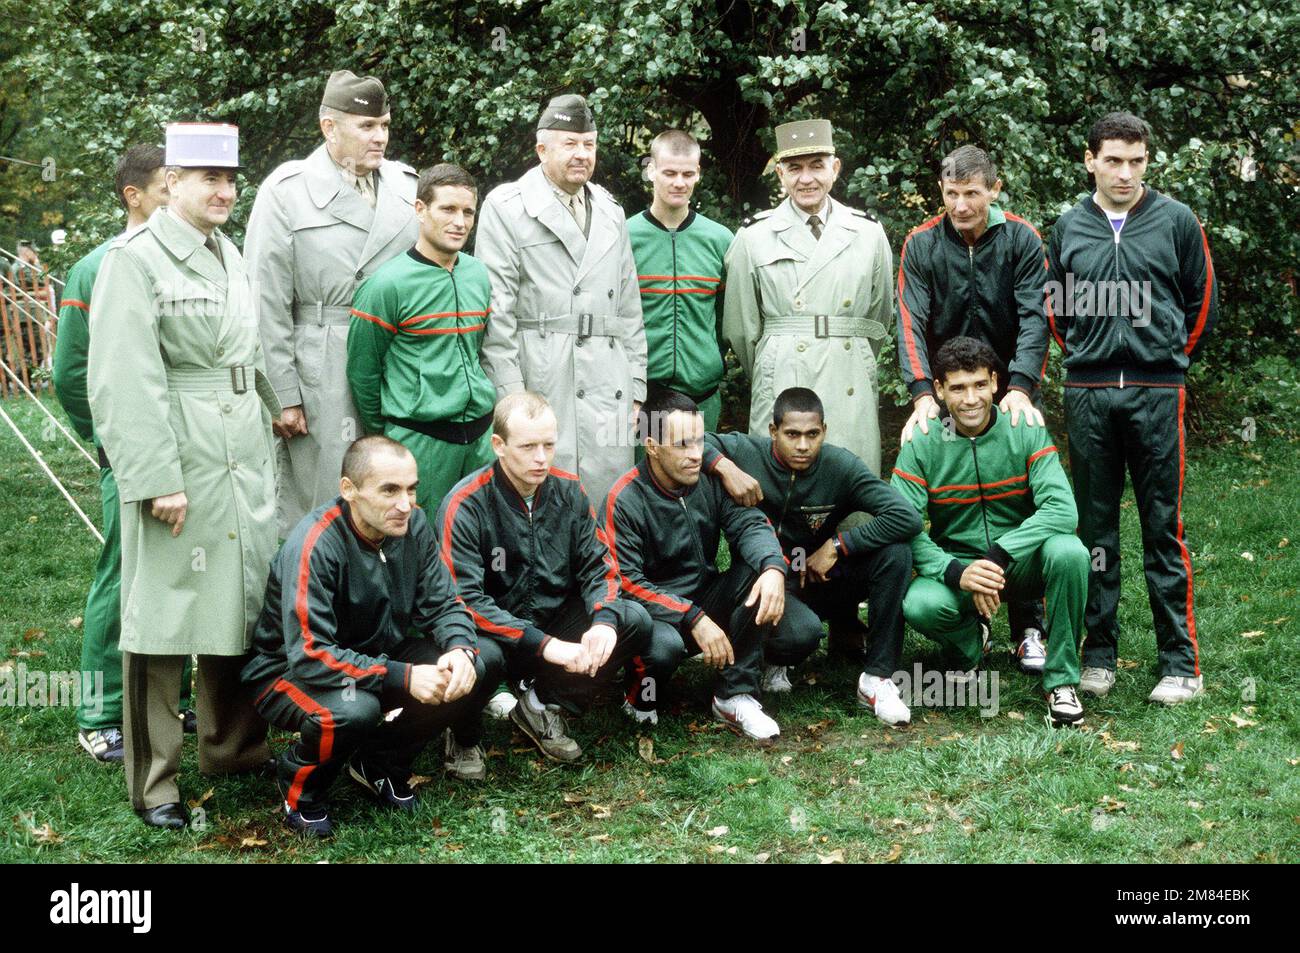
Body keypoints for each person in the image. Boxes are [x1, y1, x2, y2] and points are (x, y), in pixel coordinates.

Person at [87, 123, 277, 829]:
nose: (225, 192)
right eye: (208, 180)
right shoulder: (136, 260)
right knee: (162, 615)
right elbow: (121, 379)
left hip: (241, 443)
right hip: (180, 447)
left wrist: (271, 411)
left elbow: (246, 350)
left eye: (231, 181)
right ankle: (156, 780)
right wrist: (156, 476)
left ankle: (234, 748)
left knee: (237, 597)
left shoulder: (226, 251)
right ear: (172, 184)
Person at [243, 436, 498, 837]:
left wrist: (460, 650)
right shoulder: (316, 543)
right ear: (349, 490)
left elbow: (446, 603)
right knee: (353, 709)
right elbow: (309, 653)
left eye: (411, 489)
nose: (406, 504)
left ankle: (380, 762)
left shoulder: (413, 525)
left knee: (481, 661)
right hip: (288, 673)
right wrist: (403, 676)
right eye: (390, 490)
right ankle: (301, 789)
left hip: (376, 654)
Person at [1047, 111, 1218, 705]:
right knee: (1094, 529)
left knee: (1161, 525)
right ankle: (1099, 655)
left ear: (1148, 161)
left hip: (1156, 392)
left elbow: (1200, 305)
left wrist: (1165, 362)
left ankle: (1180, 662)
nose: (1125, 172)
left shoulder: (1175, 222)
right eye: (1113, 160)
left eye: (1136, 161)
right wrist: (1092, 359)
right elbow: (1058, 312)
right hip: (1089, 397)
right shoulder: (1069, 226)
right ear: (1090, 159)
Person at [52, 143, 195, 762]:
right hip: (134, 457)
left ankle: (173, 699)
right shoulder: (99, 266)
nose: (179, 193)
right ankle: (98, 711)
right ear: (134, 196)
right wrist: (113, 439)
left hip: (194, 451)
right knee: (122, 577)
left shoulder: (196, 259)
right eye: (169, 183)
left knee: (183, 572)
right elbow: (71, 373)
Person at [895, 144, 1052, 671]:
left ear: (995, 189)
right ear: (941, 191)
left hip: (1008, 387)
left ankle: (1030, 624)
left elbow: (1036, 315)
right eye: (952, 194)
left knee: (1022, 494)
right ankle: (967, 607)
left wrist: (1023, 387)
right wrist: (922, 392)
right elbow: (910, 317)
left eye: (973, 194)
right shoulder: (921, 243)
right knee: (951, 493)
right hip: (947, 389)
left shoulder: (1022, 238)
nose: (961, 205)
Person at [245, 69, 420, 535]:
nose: (379, 137)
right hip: (321, 360)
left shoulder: (407, 186)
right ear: (329, 127)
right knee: (319, 498)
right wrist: (281, 393)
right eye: (366, 126)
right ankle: (307, 599)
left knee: (393, 491)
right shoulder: (287, 191)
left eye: (384, 125)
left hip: (395, 359)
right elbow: (266, 299)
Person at [437, 392, 653, 765]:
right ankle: (463, 732)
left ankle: (541, 704)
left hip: (553, 625)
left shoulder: (569, 490)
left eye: (549, 445)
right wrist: (543, 644)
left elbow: (598, 566)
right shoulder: (467, 503)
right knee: (479, 657)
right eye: (528, 446)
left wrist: (602, 620)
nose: (541, 458)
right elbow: (464, 599)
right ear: (499, 445)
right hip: (496, 635)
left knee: (630, 619)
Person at [890, 337, 1088, 726]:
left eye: (980, 385)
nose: (971, 399)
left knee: (1071, 553)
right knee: (920, 604)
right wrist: (954, 570)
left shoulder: (1024, 427)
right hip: (960, 567)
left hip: (1020, 562)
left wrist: (999, 553)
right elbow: (902, 523)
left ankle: (1062, 681)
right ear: (939, 391)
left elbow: (1063, 509)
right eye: (958, 388)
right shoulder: (922, 441)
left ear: (995, 382)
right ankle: (969, 647)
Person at [704, 387, 920, 724]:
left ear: (824, 432)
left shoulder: (840, 465)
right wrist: (725, 468)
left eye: (812, 435)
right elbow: (689, 441)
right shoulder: (746, 452)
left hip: (816, 577)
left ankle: (877, 678)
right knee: (799, 637)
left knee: (895, 553)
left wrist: (838, 546)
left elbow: (906, 517)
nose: (803, 445)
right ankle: (768, 658)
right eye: (792, 434)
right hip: (761, 583)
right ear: (773, 431)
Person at [474, 93, 646, 505]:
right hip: (543, 375)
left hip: (608, 379)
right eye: (569, 144)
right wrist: (512, 397)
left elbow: (628, 307)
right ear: (541, 149)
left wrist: (636, 383)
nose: (581, 154)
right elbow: (498, 316)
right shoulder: (507, 206)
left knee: (609, 498)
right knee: (542, 491)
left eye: (589, 144)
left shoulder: (610, 210)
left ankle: (609, 570)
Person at [602, 389, 795, 740]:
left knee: (761, 573)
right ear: (652, 446)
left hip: (706, 598)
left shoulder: (709, 478)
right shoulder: (624, 498)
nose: (696, 456)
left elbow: (751, 524)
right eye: (682, 446)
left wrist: (772, 568)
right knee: (663, 649)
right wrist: (691, 616)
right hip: (657, 615)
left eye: (698, 443)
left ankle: (734, 694)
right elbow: (624, 582)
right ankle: (639, 696)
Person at [722, 118, 893, 475]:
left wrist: (853, 352)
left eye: (817, 166)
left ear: (835, 169)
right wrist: (776, 359)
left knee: (853, 486)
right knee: (780, 487)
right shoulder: (753, 237)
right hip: (784, 372)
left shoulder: (868, 233)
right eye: (794, 168)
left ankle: (849, 535)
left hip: (849, 372)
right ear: (780, 174)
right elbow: (742, 328)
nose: (806, 179)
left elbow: (877, 319)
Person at [346, 163, 496, 511]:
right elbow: (363, 370)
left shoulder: (478, 274)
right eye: (448, 209)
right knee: (419, 543)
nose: (460, 222)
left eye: (468, 212)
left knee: (480, 542)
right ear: (420, 209)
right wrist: (390, 432)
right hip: (419, 440)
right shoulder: (387, 284)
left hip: (480, 439)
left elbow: (476, 353)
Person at [626, 129, 733, 433]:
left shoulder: (721, 239)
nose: (679, 182)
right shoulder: (622, 236)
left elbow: (728, 317)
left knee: (700, 477)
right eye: (669, 172)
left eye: (687, 174)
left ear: (698, 173)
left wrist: (712, 361)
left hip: (702, 396)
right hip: (642, 400)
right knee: (642, 479)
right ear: (651, 171)